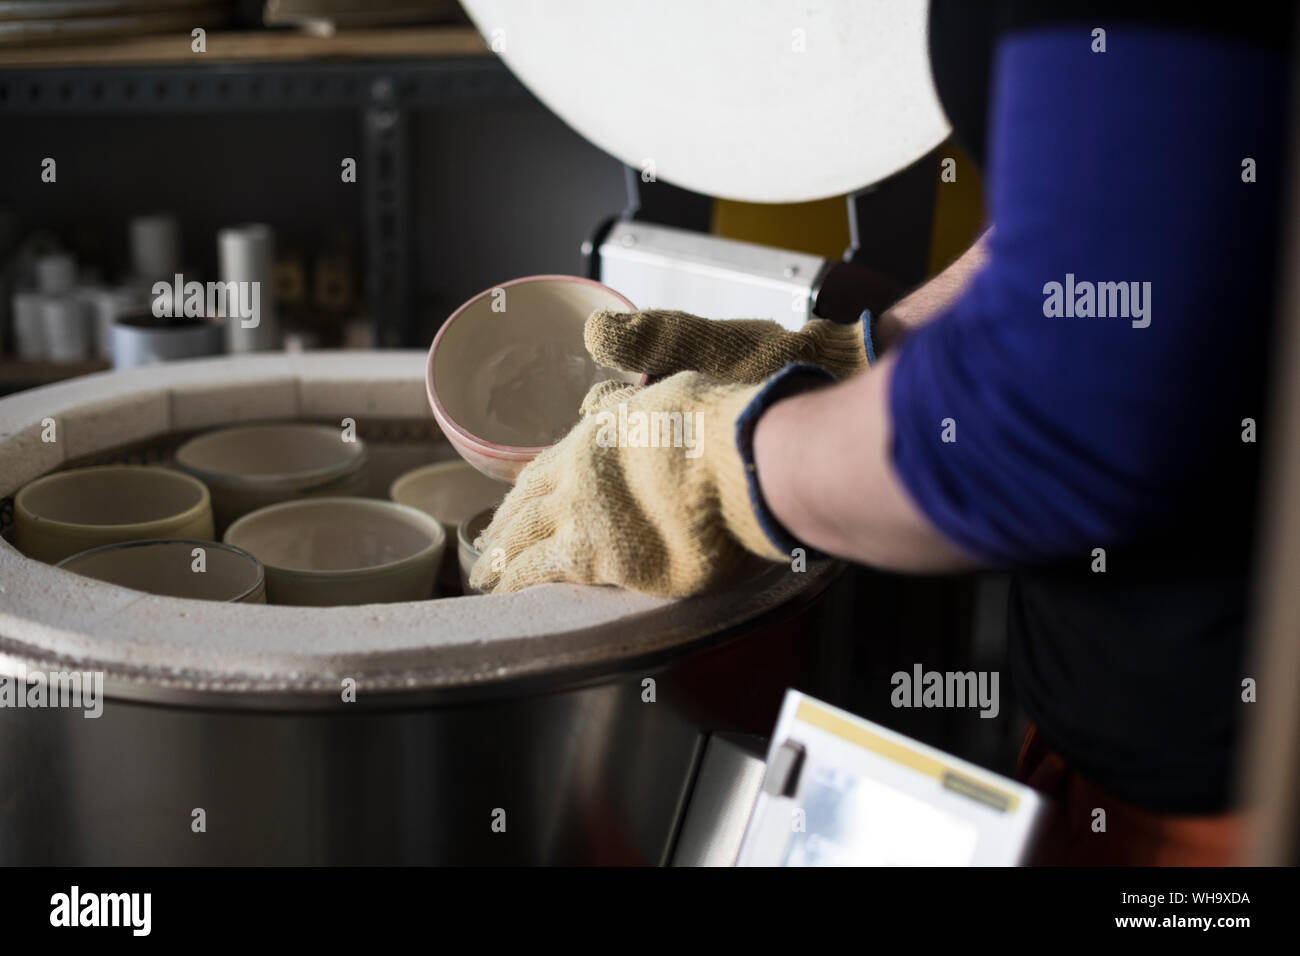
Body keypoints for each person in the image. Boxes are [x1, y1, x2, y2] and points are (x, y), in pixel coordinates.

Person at [470, 2, 1293, 865]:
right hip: (1126, 728)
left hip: (1235, 801)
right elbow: (1137, 202)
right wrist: (867, 356)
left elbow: (1061, 414)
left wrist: (718, 464)